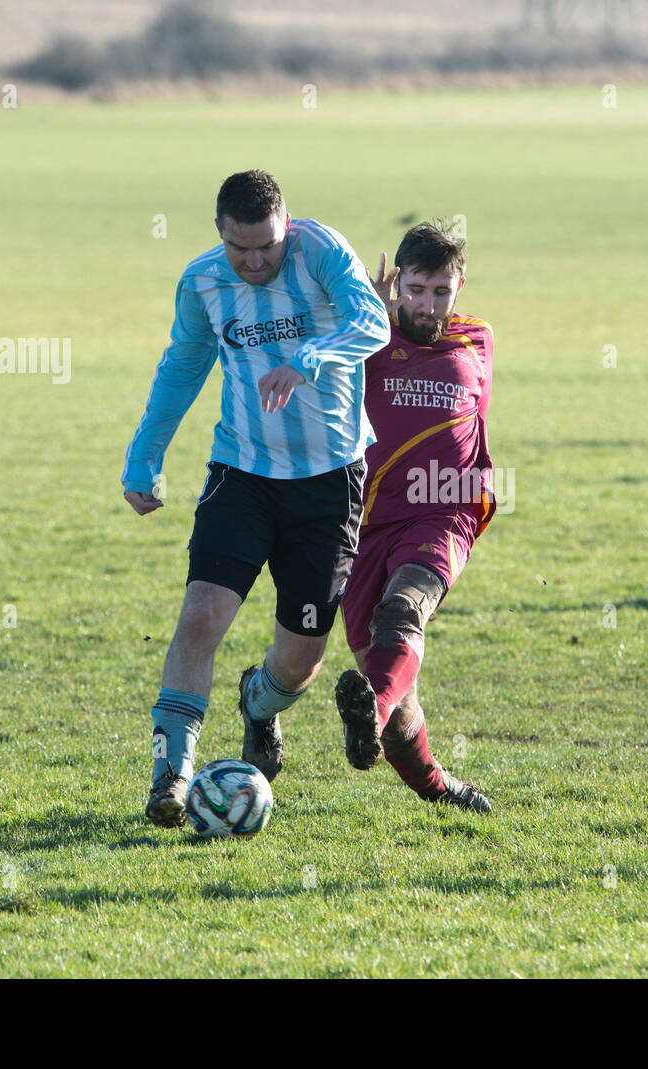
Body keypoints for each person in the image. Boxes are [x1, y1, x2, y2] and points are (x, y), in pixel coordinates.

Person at [123, 170, 390, 827]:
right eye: (242, 249)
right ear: (220, 233)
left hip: (329, 481)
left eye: (267, 246)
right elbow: (183, 365)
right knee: (202, 612)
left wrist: (309, 357)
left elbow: (372, 320)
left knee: (300, 656)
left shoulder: (320, 250)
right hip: (241, 473)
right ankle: (172, 776)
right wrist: (144, 457)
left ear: (286, 225)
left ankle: (259, 703)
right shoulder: (204, 282)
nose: (256, 261)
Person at [330, 223, 496, 812]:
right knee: (401, 716)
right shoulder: (363, 333)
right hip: (361, 525)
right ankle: (439, 785)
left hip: (443, 513)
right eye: (418, 290)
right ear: (397, 283)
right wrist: (363, 325)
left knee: (404, 610)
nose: (429, 306)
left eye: (442, 292)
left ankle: (367, 711)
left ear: (460, 286)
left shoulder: (478, 338)